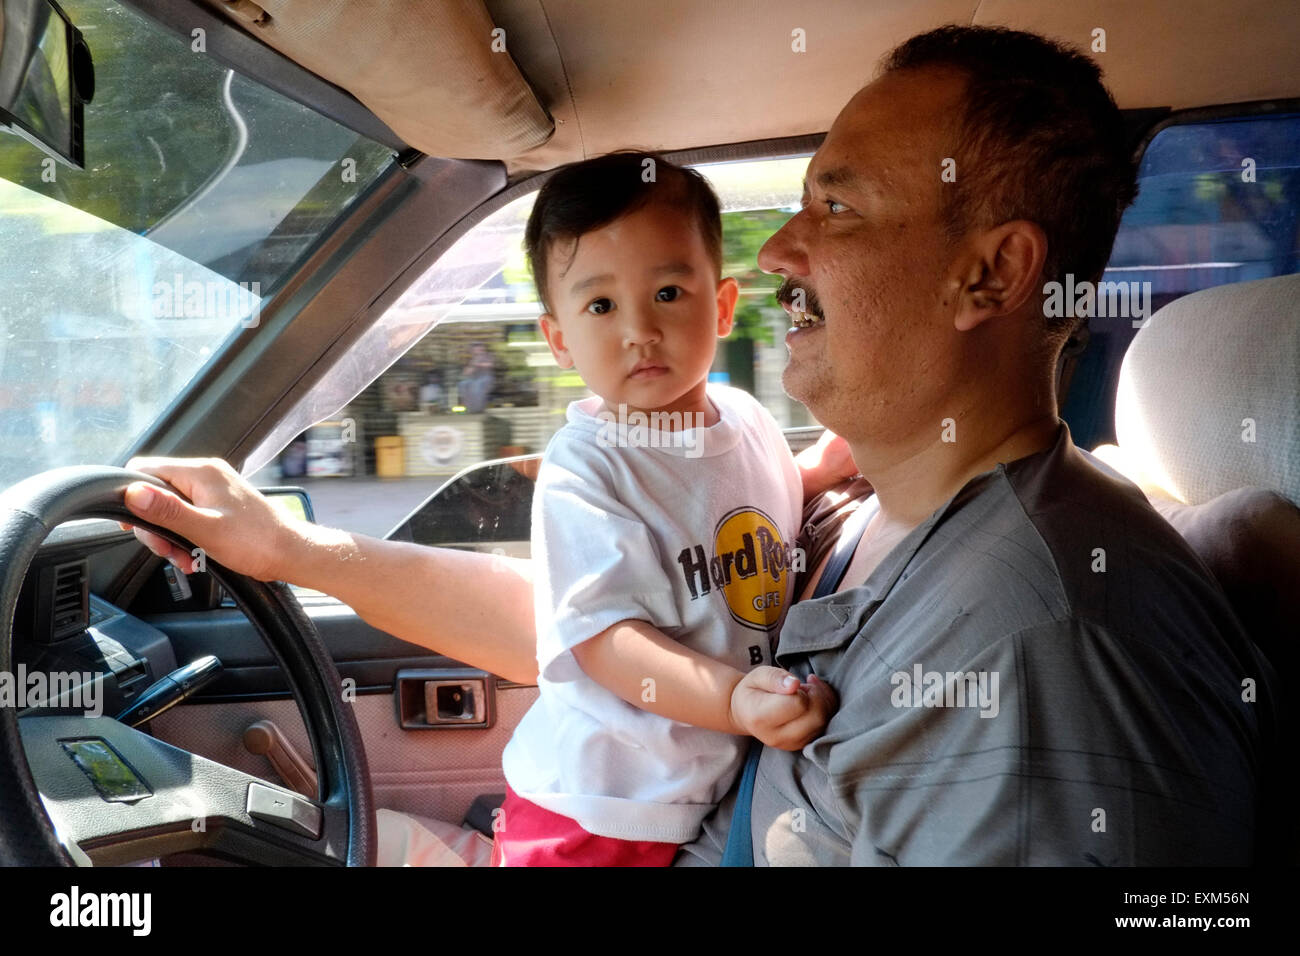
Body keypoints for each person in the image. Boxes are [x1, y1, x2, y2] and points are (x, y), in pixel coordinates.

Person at [119, 25, 1279, 865]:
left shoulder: (1038, 657)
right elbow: (594, 621)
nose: (780, 257)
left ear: (993, 272)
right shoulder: (876, 515)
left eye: (837, 207)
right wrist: (294, 549)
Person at [484, 151, 837, 865]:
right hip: (600, 805)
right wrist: (735, 700)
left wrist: (823, 469)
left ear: (725, 305)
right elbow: (607, 641)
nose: (639, 329)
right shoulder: (587, 466)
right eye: (601, 305)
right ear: (559, 340)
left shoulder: (748, 422)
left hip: (699, 788)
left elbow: (745, 518)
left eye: (669, 293)